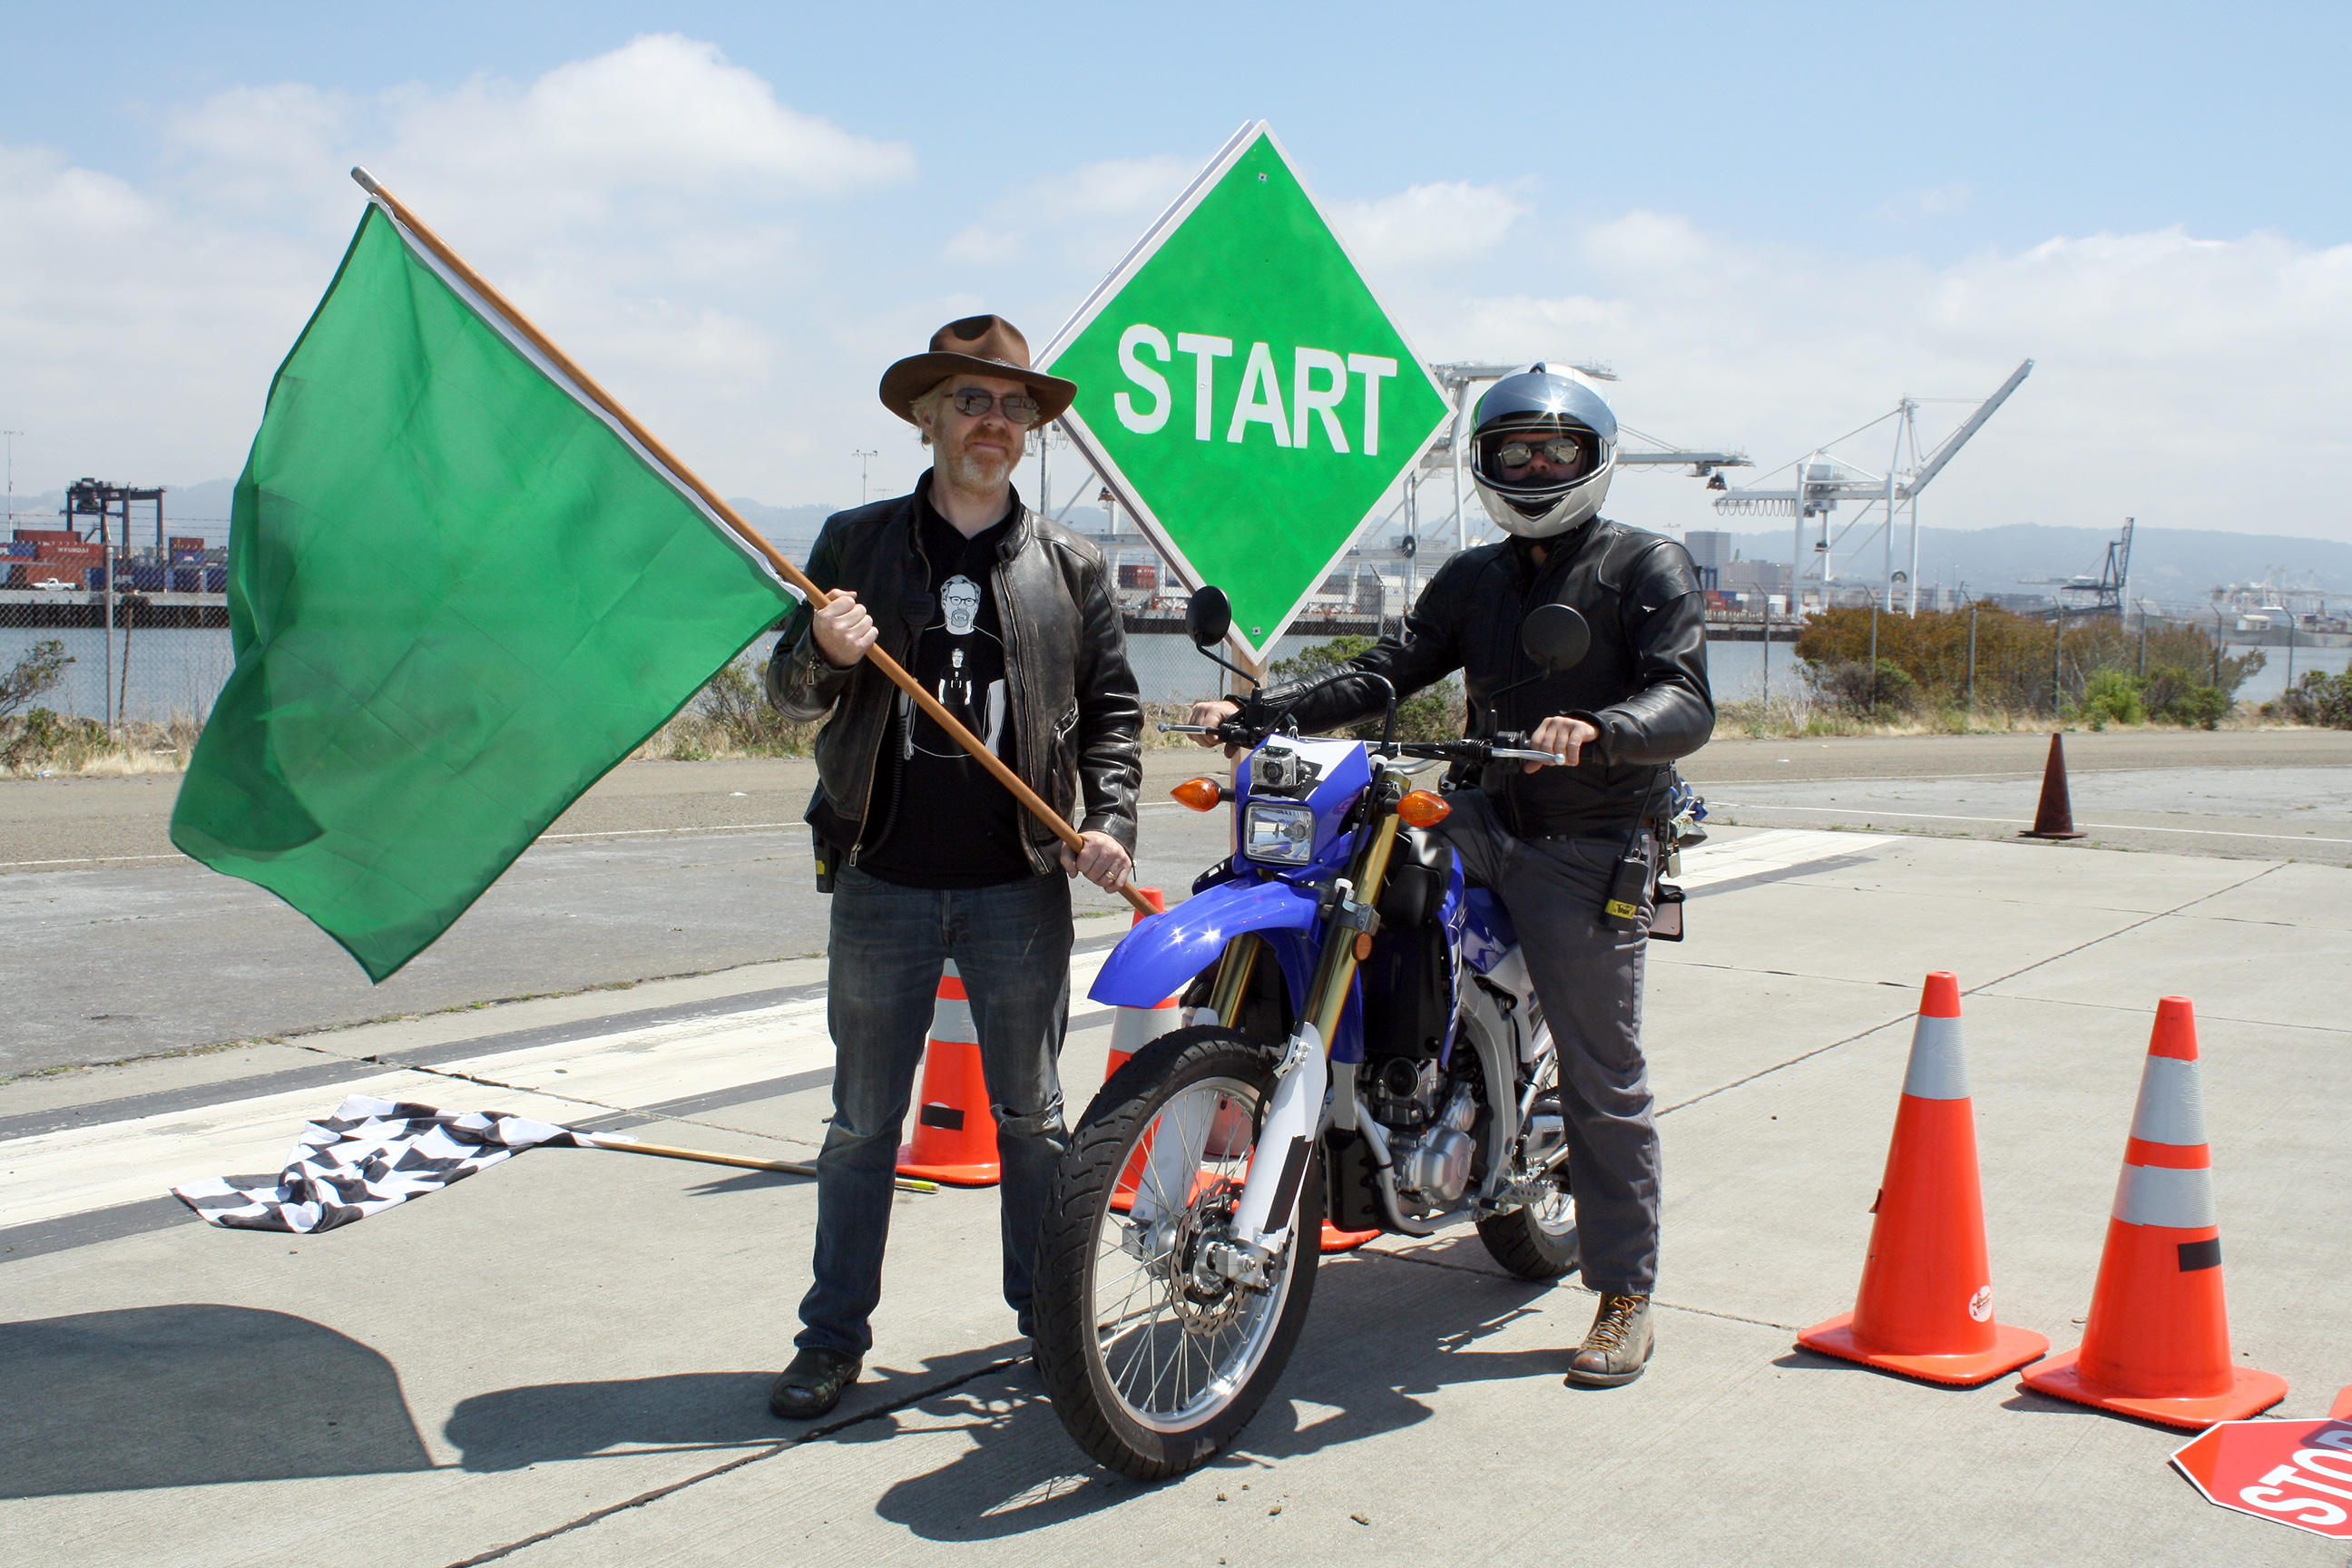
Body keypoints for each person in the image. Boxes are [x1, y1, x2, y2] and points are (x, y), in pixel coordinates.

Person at [1188, 363, 1710, 1387]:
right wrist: (1268, 711)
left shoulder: (1646, 564)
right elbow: (1394, 668)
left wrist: (1600, 730)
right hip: (1485, 812)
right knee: (1347, 878)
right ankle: (1396, 1080)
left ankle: (1624, 1293)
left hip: (1588, 838)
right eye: (1511, 451)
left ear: (1593, 459)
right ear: (1483, 465)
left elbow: (1684, 700)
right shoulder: (1476, 576)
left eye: (1552, 451)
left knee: (1606, 1073)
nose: (1531, 467)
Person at [765, 314, 1142, 1418]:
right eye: (972, 402)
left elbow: (1114, 712)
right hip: (881, 876)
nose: (994, 423)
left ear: (1030, 432)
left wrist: (1109, 815)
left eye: (1013, 407)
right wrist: (822, 653)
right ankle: (831, 1340)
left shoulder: (1070, 565)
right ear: (926, 417)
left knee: (1032, 1118)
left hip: (1018, 885)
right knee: (861, 1125)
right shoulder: (854, 541)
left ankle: (1050, 1331)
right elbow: (791, 693)